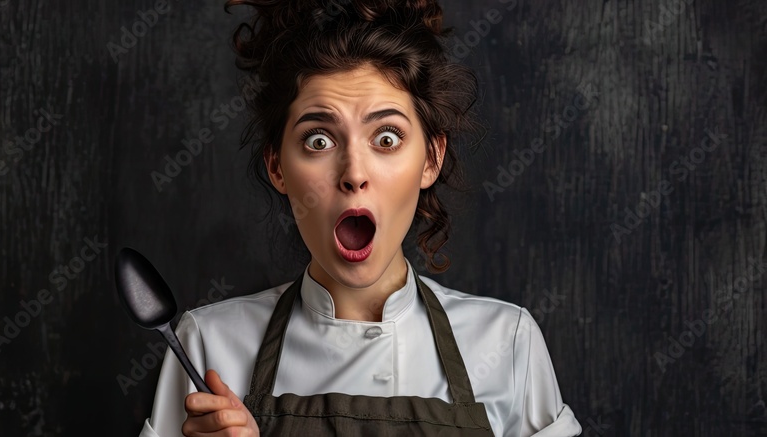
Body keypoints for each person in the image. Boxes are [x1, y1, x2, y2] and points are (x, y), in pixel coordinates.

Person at [138, 0, 582, 435]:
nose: (353, 173)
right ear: (278, 167)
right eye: (318, 141)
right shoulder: (206, 347)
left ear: (431, 158)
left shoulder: (507, 344)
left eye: (386, 138)